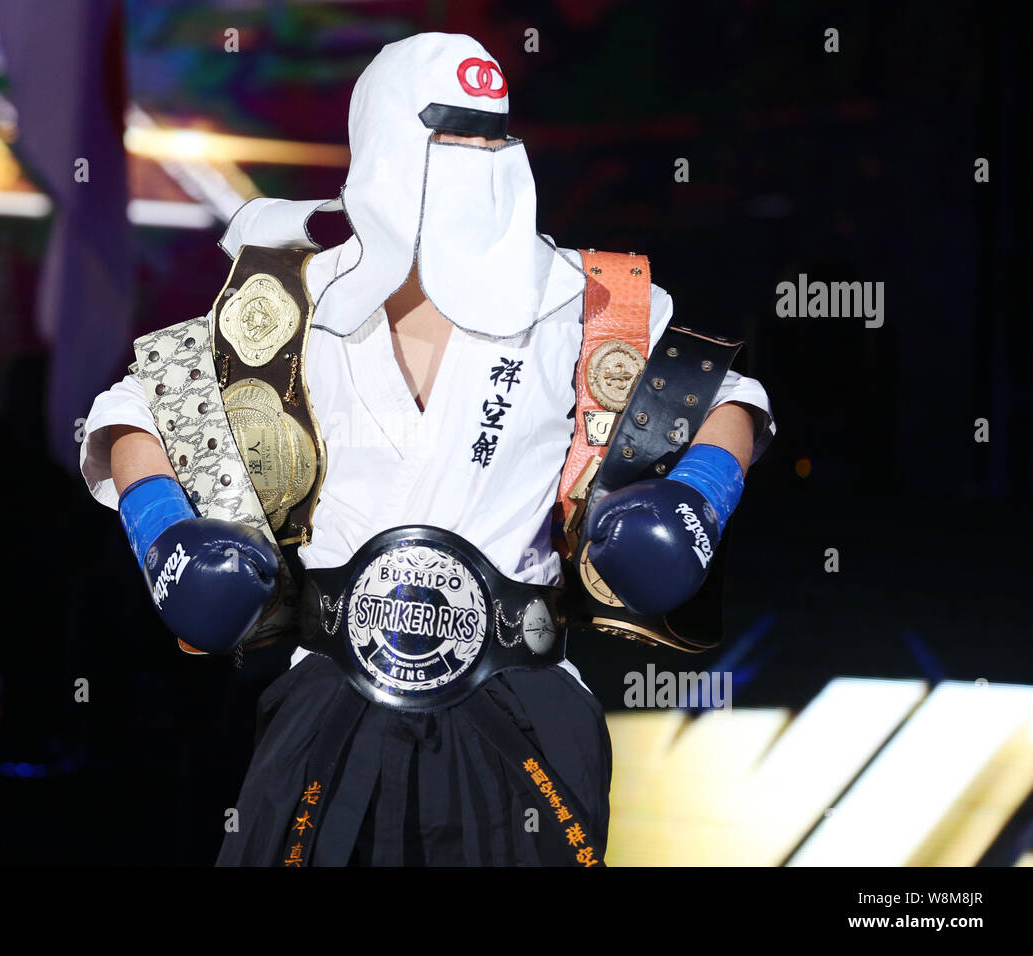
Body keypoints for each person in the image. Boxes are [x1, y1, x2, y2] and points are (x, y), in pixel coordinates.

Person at [80, 33, 774, 865]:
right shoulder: (294, 301)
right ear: (385, 138)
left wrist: (695, 495)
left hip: (522, 704)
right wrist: (164, 530)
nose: (480, 154)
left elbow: (727, 396)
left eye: (495, 133)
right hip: (327, 702)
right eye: (453, 132)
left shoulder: (578, 298)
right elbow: (134, 408)